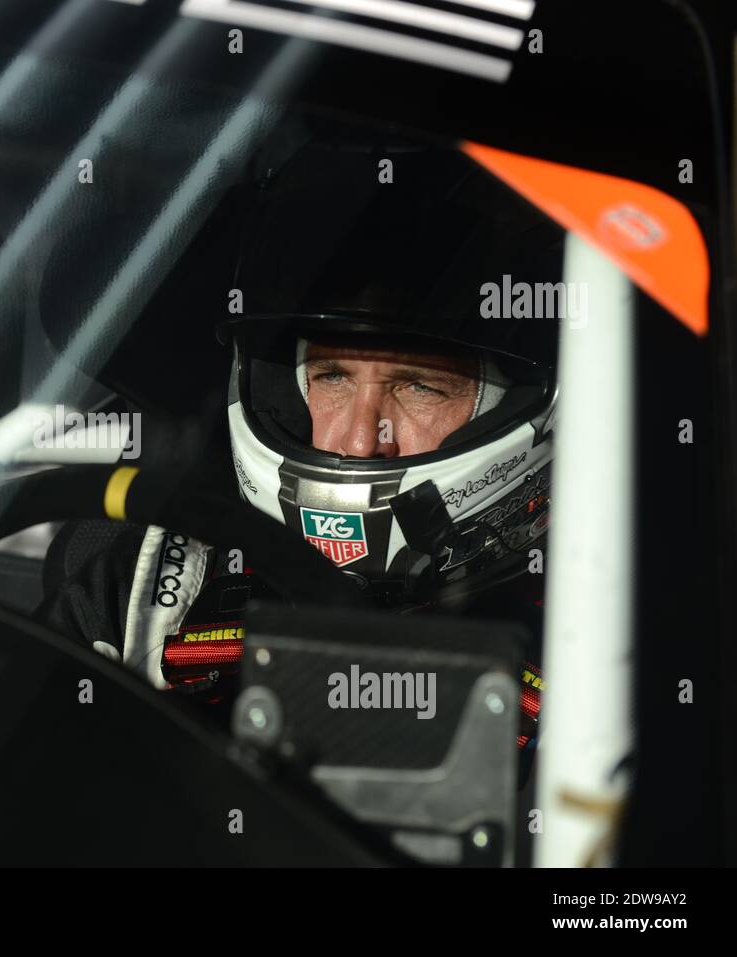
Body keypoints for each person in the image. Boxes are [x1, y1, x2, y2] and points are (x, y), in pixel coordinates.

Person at [36, 144, 560, 758]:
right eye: (332, 377)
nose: (362, 438)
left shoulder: (602, 639)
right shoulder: (143, 594)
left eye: (420, 386)